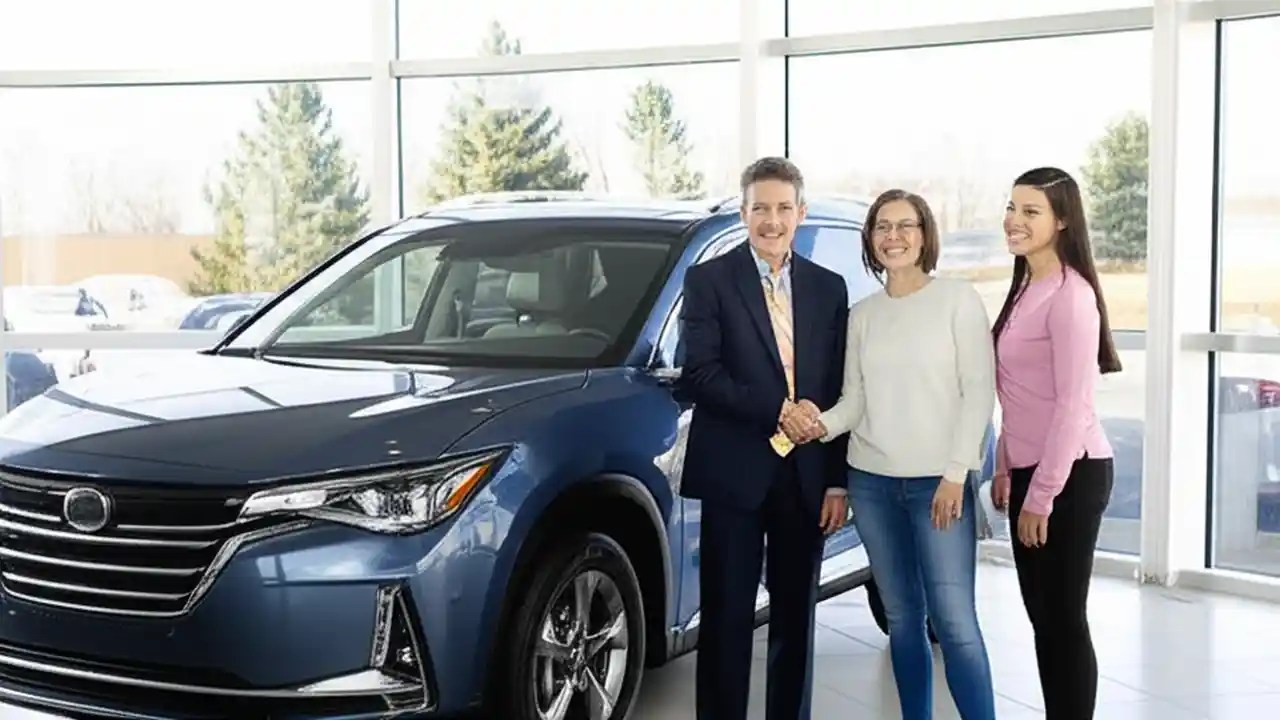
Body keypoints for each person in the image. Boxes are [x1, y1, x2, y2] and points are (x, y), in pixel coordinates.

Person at [807, 189, 997, 720]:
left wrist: (957, 474)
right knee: (901, 619)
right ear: (870, 240)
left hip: (940, 486)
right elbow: (853, 403)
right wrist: (813, 424)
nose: (894, 236)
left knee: (955, 622)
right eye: (882, 227)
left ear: (925, 234)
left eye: (905, 226)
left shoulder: (957, 301)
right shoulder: (863, 315)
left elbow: (979, 391)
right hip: (872, 484)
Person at [678, 156, 851, 720]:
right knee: (726, 618)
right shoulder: (709, 281)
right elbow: (699, 374)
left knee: (796, 616)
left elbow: (841, 384)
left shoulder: (829, 289)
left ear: (801, 213)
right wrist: (780, 410)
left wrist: (836, 482)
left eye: (783, 208)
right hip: (735, 473)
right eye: (760, 209)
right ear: (743, 212)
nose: (771, 221)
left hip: (806, 476)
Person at [989, 167, 1121, 720]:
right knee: (1044, 616)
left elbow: (1072, 406)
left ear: (1062, 221)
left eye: (1030, 212)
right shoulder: (1027, 286)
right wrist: (1003, 464)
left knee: (1063, 618)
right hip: (1030, 470)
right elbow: (1015, 392)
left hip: (1070, 473)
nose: (1013, 221)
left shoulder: (1071, 295)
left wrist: (1040, 496)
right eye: (1012, 208)